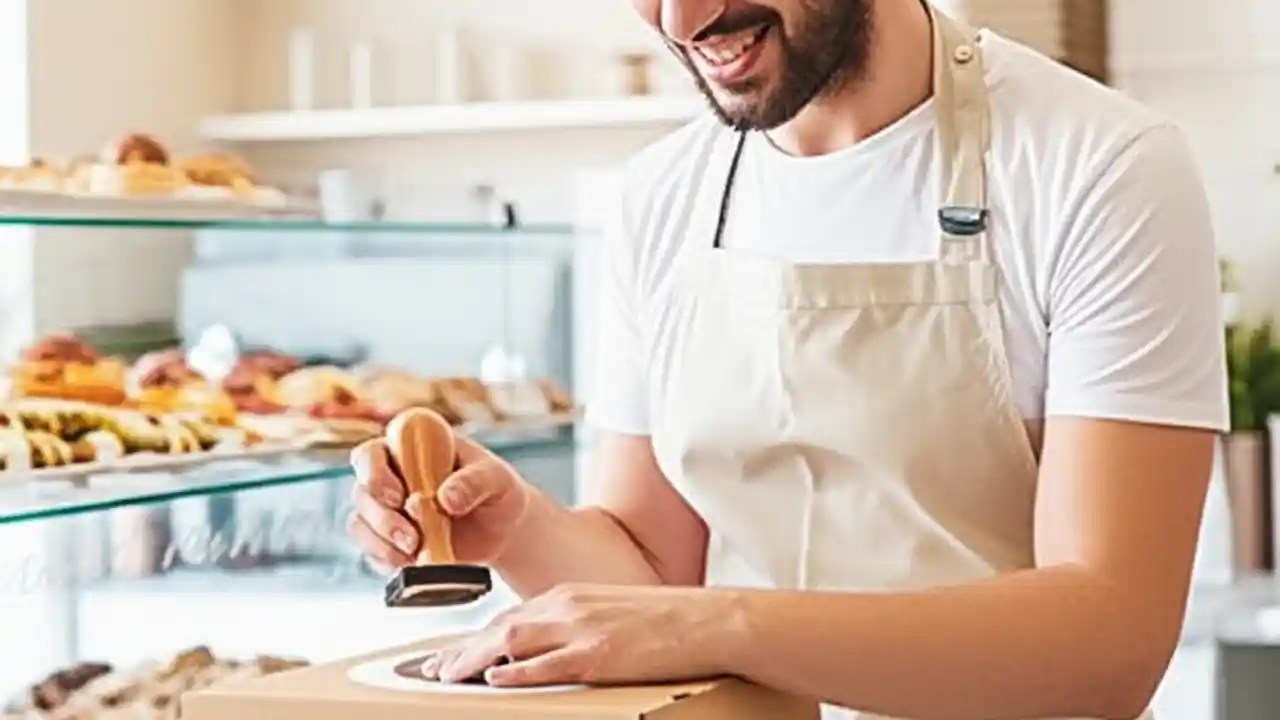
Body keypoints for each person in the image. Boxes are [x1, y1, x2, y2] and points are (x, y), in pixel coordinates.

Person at [348, 0, 1228, 717]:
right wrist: (518, 526)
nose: (682, 18)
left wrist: (722, 623)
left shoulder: (1099, 166)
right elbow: (655, 581)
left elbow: (1108, 644)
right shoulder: (664, 196)